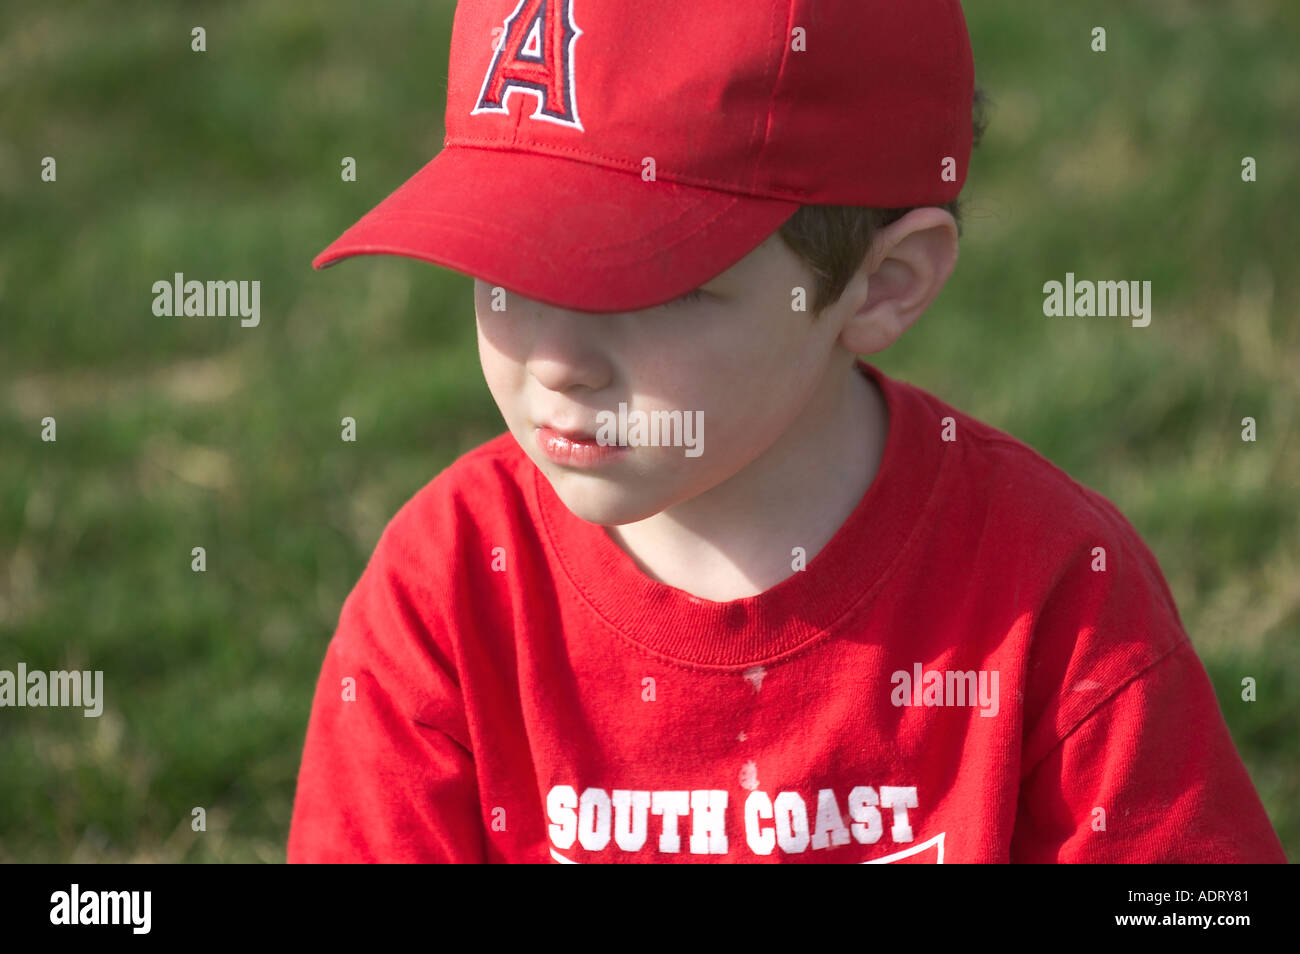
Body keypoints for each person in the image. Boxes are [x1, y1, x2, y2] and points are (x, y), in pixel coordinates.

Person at [287, 0, 1286, 863]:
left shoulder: (1049, 594)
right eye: (503, 266)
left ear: (880, 286)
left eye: (650, 284)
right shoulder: (448, 592)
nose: (555, 359)